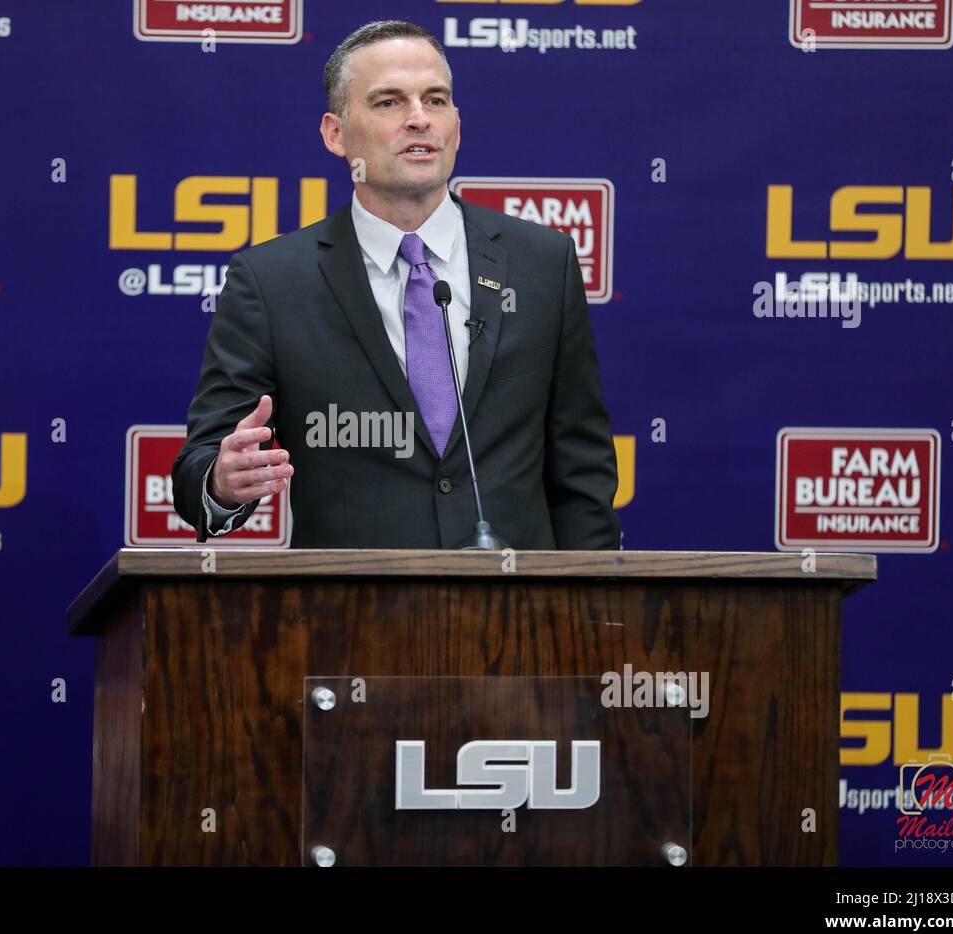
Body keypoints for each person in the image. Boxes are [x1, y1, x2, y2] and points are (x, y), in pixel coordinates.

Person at [171, 20, 620, 550]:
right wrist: (222, 482)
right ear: (335, 134)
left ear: (457, 124)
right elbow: (201, 462)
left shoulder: (544, 263)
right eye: (388, 102)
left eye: (435, 100)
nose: (418, 119)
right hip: (350, 616)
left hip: (517, 616)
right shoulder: (270, 282)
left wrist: (588, 612)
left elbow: (583, 471)